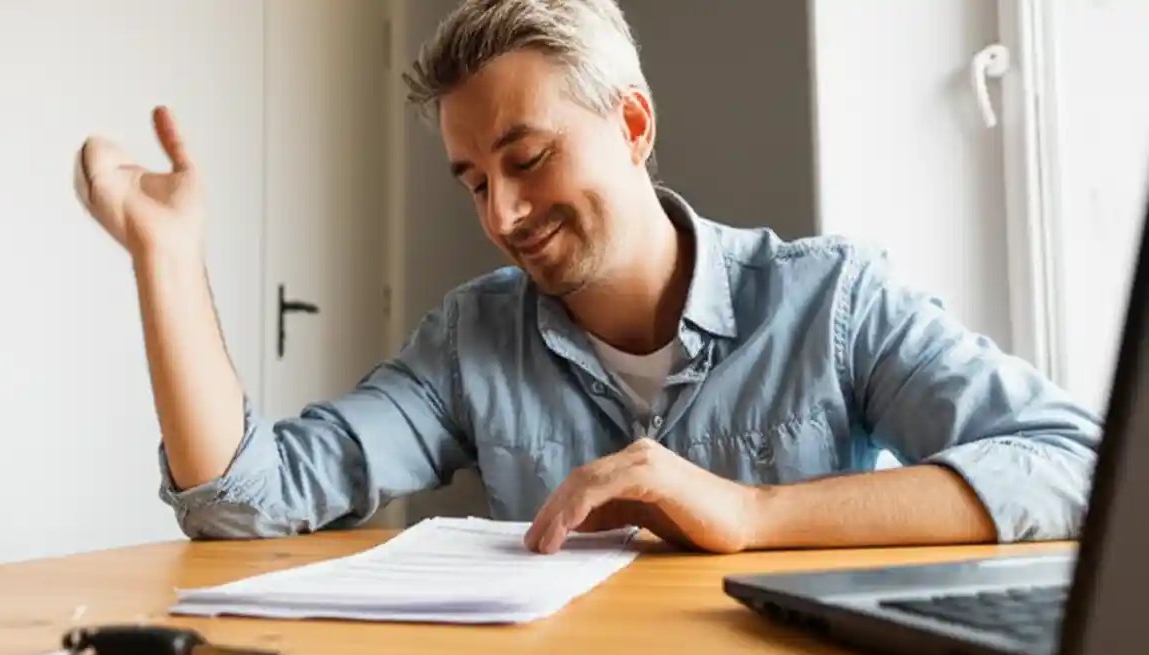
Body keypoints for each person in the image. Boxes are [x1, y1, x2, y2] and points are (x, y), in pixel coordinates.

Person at [74, 0, 1099, 555]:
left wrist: (745, 515)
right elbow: (241, 503)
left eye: (526, 160)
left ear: (633, 122)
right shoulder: (469, 342)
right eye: (472, 181)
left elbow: (1070, 466)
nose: (501, 217)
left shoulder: (831, 301)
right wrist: (166, 260)